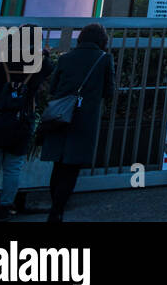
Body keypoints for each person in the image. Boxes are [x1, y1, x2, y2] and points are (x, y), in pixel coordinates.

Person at [0, 27, 52, 221]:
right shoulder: (39, 63)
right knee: (13, 167)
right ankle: (5, 207)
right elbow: (51, 68)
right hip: (23, 120)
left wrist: (8, 40)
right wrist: (44, 53)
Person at [40, 22, 114, 222]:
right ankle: (58, 209)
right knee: (72, 167)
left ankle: (54, 206)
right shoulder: (104, 58)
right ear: (102, 40)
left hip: (60, 115)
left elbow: (53, 87)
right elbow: (109, 91)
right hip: (84, 117)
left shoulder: (66, 58)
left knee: (58, 163)